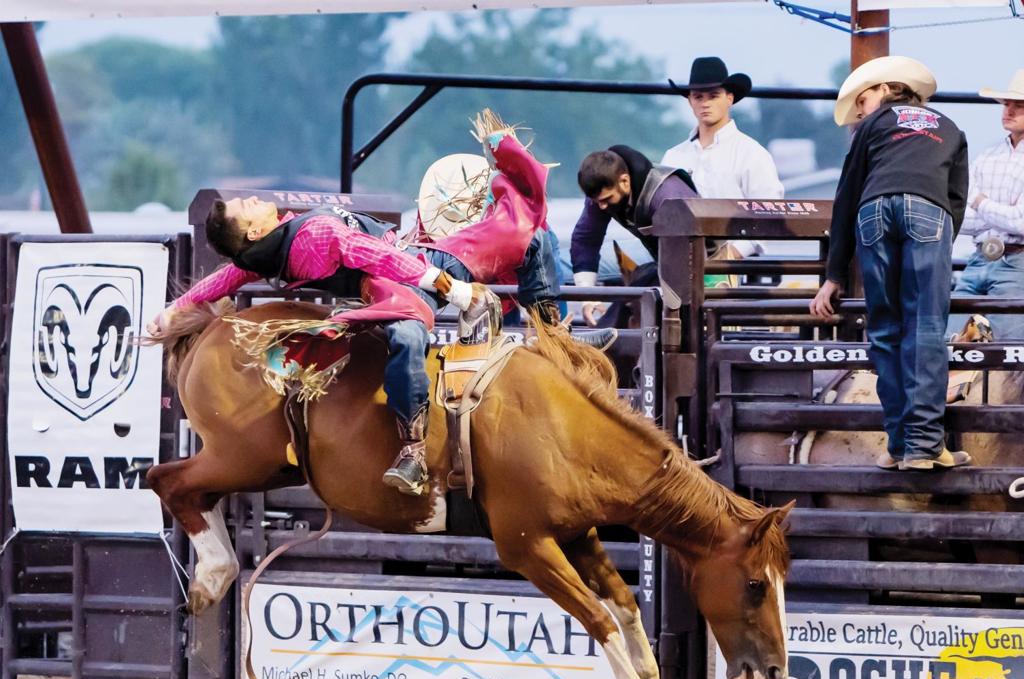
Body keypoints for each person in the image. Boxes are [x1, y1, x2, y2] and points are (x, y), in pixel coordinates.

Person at [153, 128, 609, 496]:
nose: (252, 198)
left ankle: (556, 342)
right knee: (408, 337)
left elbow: (224, 278)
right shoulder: (307, 238)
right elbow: (370, 254)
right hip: (399, 279)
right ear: (254, 230)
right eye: (245, 206)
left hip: (420, 256)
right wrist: (445, 286)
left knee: (529, 237)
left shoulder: (278, 241)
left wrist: (173, 309)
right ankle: (411, 449)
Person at [809, 56, 970, 471]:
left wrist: (833, 276)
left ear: (885, 89)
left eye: (863, 100)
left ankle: (899, 444)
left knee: (885, 329)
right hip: (928, 211)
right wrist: (937, 245)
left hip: (873, 210)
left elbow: (846, 196)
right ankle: (925, 444)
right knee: (926, 326)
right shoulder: (949, 128)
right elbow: (955, 201)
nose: (860, 111)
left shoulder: (872, 127)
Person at [953, 70, 1024, 341]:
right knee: (949, 343)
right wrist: (1003, 211)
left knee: (1004, 354)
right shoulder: (988, 156)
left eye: (1018, 105)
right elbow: (960, 217)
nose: (1008, 110)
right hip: (982, 258)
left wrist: (980, 202)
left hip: (1021, 262)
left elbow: (1022, 222)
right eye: (1006, 104)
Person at [662, 56, 784, 257]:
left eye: (713, 96)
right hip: (680, 260)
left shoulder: (753, 154)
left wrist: (729, 255)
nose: (705, 103)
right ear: (690, 101)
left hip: (737, 268)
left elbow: (769, 216)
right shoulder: (674, 156)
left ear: (730, 98)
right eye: (698, 97)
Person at [570, 146, 699, 324]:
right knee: (636, 293)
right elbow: (586, 239)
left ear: (624, 181)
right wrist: (588, 296)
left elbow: (687, 253)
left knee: (639, 292)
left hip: (704, 266)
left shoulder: (666, 195)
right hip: (665, 263)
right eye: (596, 202)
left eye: (607, 200)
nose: (601, 207)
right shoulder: (604, 190)